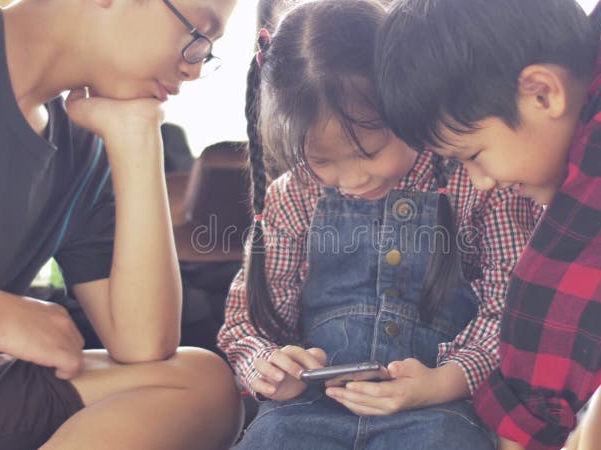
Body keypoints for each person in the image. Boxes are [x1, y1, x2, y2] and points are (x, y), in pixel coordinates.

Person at [374, 0, 601, 449]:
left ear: (542, 94)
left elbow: (564, 300)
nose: (481, 181)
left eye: (473, 156)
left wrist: (518, 428)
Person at [216, 1, 542, 448]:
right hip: (306, 410)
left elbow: (513, 314)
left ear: (408, 103)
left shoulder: (478, 180)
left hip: (436, 409)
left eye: (368, 152)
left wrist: (444, 381)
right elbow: (247, 322)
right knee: (272, 436)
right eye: (322, 161)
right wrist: (268, 367)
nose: (352, 180)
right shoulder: (293, 197)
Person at [0, 0, 243, 448]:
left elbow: (143, 344)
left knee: (200, 384)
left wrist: (137, 136)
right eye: (196, 34)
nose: (194, 69)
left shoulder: (84, 155)